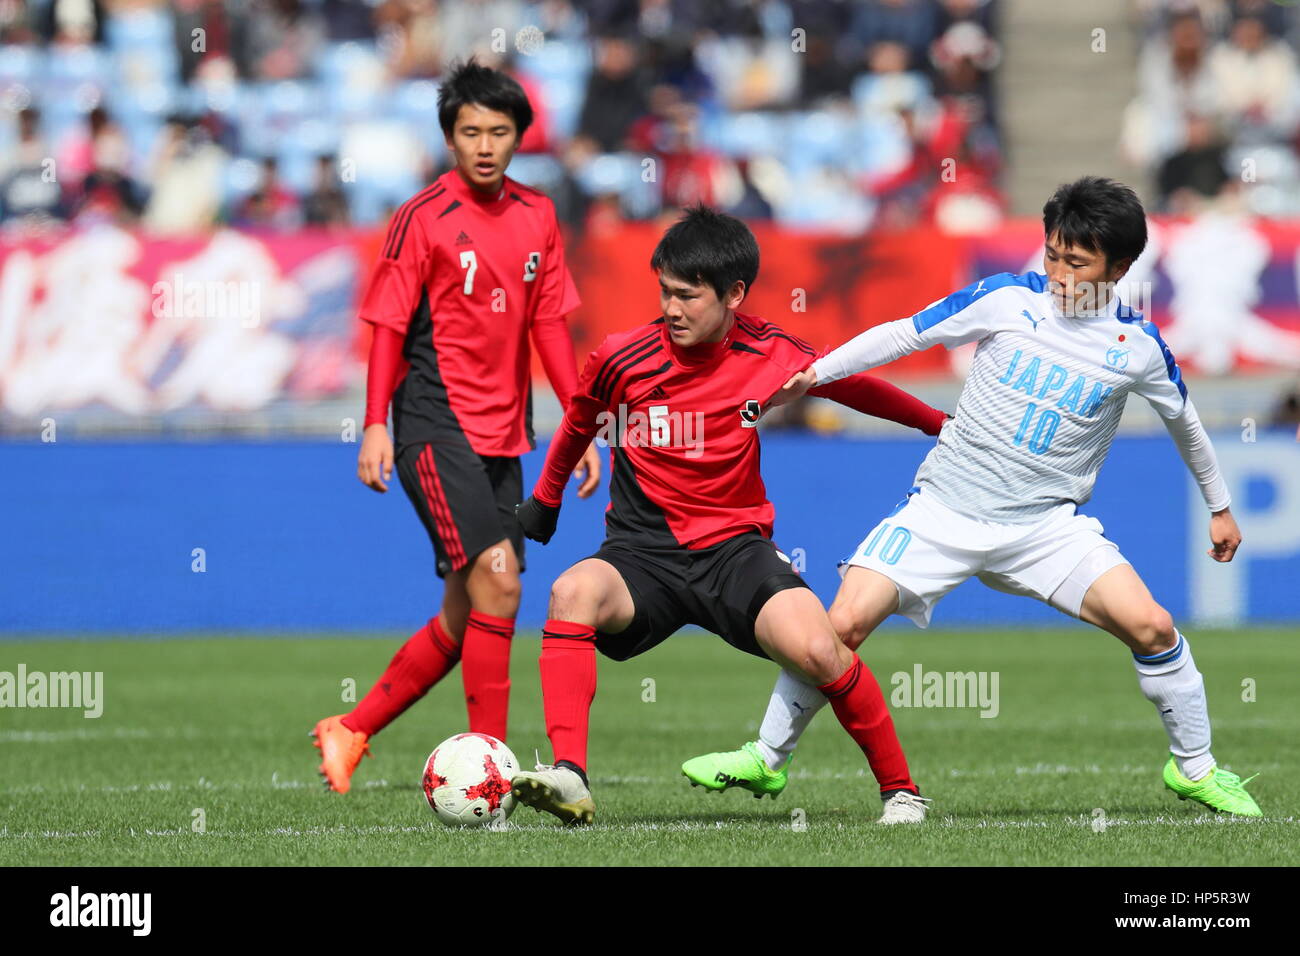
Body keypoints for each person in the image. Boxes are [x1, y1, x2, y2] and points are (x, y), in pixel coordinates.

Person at [682, 176, 1263, 818]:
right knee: (839, 626)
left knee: (1152, 626)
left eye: (1079, 261)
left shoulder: (1138, 349)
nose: (1060, 272)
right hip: (942, 511)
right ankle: (766, 759)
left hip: (1046, 528)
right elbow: (907, 334)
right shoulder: (1007, 300)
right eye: (1053, 254)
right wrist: (817, 374)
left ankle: (1198, 769)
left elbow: (1186, 424)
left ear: (1121, 267)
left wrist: (1219, 506)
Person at [510, 205, 951, 826]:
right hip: (641, 557)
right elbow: (581, 419)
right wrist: (546, 500)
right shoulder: (621, 358)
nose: (671, 308)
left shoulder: (771, 354)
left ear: (734, 294)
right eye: (664, 291)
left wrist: (941, 426)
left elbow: (850, 384)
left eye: (688, 296)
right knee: (570, 592)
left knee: (820, 648)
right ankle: (570, 777)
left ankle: (901, 793)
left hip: (734, 554)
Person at [311, 58, 601, 793]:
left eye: (498, 132)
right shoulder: (421, 218)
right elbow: (384, 327)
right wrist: (374, 424)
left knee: (466, 607)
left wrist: (581, 423)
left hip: (504, 434)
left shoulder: (538, 215)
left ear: (517, 138)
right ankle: (489, 772)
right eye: (469, 131)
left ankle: (351, 729)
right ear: (449, 138)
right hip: (432, 426)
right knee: (499, 585)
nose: (483, 145)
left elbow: (549, 327)